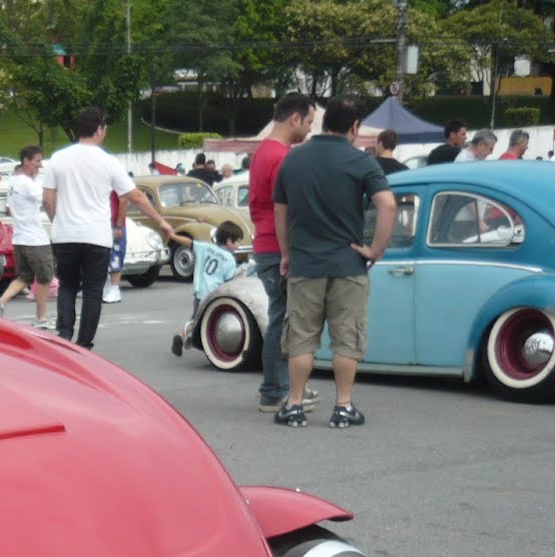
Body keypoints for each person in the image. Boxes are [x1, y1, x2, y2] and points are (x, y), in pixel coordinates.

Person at [272, 95, 395, 430]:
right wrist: (375, 249)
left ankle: (294, 405)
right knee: (346, 338)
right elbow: (388, 206)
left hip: (305, 265)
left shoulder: (293, 161)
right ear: (354, 126)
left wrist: (286, 253)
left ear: (324, 122)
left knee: (300, 337)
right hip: (348, 265)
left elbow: (280, 213)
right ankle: (343, 406)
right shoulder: (362, 162)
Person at [41, 108, 175, 349]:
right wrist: (160, 221)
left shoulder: (58, 159)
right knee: (93, 291)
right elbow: (135, 196)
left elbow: (48, 201)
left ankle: (64, 335)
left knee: (68, 287)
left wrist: (57, 220)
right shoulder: (109, 162)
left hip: (65, 234)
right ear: (99, 129)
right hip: (96, 237)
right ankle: (84, 343)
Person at [249, 92, 321, 415]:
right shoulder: (280, 158)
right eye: (308, 122)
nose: (308, 130)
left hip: (266, 244)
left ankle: (280, 386)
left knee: (281, 316)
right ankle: (277, 389)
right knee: (283, 319)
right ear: (295, 118)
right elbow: (288, 207)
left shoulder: (264, 151)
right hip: (278, 247)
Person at [168, 220, 245, 355]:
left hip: (200, 291)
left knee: (196, 317)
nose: (238, 245)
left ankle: (189, 337)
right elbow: (228, 281)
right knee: (207, 319)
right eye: (237, 242)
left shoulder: (205, 247)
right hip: (214, 293)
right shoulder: (230, 260)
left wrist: (173, 236)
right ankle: (183, 337)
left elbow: (189, 243)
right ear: (228, 241)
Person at [0, 145, 52, 324]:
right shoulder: (27, 183)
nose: (40, 165)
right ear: (26, 161)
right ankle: (41, 317)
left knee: (24, 277)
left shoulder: (13, 181)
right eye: (37, 161)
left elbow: (10, 208)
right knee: (45, 277)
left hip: (19, 237)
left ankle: (1, 301)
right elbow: (46, 199)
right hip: (35, 239)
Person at [102, 190, 126, 304]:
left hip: (114, 224)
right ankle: (107, 287)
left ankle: (114, 288)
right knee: (103, 256)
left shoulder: (117, 180)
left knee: (115, 256)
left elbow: (124, 200)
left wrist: (118, 225)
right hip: (102, 223)